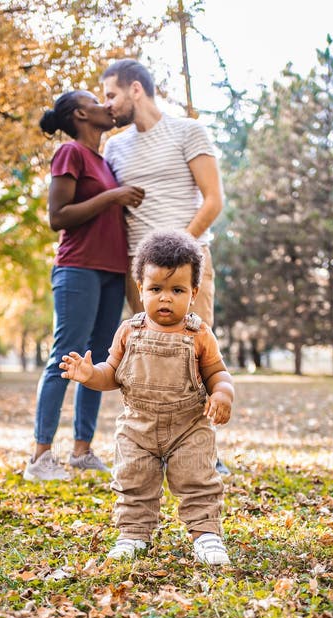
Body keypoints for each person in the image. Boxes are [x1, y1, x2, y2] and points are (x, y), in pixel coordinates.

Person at [60, 230, 234, 565]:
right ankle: (133, 535)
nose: (165, 298)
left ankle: (207, 535)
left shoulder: (199, 334)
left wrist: (223, 394)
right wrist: (89, 374)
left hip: (189, 427)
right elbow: (111, 372)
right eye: (156, 289)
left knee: (197, 478)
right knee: (133, 481)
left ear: (194, 293)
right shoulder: (129, 331)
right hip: (137, 427)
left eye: (177, 290)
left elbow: (217, 373)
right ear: (140, 289)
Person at [101, 58, 231, 474]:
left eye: (111, 95)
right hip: (138, 274)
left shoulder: (188, 131)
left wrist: (181, 253)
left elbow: (213, 201)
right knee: (146, 358)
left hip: (190, 265)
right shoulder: (114, 146)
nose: (108, 105)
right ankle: (147, 447)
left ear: (135, 89)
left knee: (195, 355)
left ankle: (204, 452)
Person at [23, 90, 145, 482]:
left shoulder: (104, 159)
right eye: (98, 101)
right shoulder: (70, 152)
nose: (106, 107)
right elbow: (57, 217)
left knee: (95, 362)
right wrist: (114, 196)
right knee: (66, 355)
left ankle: (81, 451)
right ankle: (40, 456)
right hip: (78, 268)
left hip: (111, 270)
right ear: (80, 113)